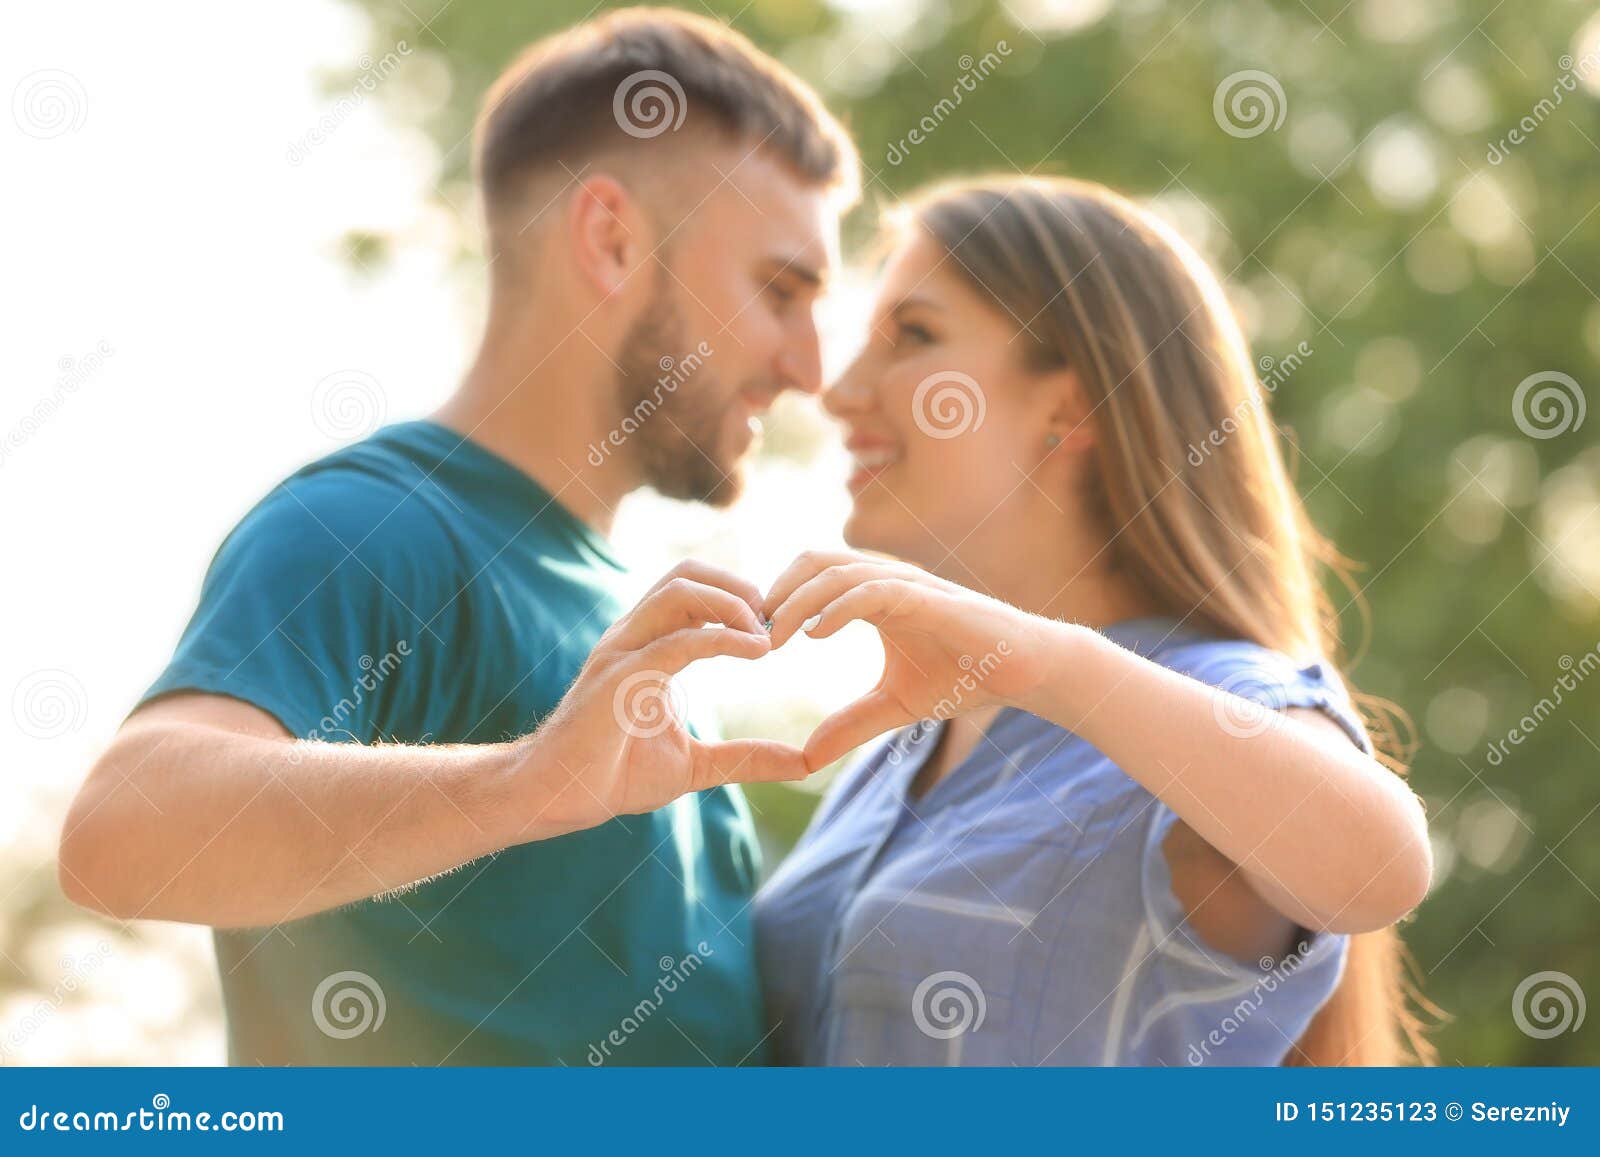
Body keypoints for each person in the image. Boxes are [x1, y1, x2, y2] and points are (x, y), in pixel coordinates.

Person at [57, 8, 857, 1065]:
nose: (812, 367)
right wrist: (525, 782)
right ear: (612, 240)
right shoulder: (369, 529)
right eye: (780, 289)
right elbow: (123, 832)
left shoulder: (623, 602)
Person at [753, 176, 1436, 1066]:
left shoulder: (1222, 693)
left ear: (1069, 406)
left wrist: (1041, 660)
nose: (840, 391)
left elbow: (1378, 866)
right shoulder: (899, 751)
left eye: (913, 336)